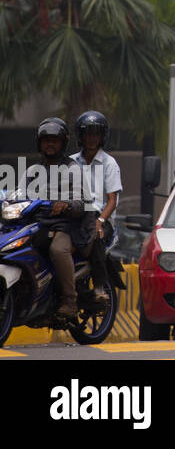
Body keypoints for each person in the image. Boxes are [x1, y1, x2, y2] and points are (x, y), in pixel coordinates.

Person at [24, 118, 93, 320]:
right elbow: (18, 195)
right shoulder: (31, 172)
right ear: (39, 143)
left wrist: (67, 205)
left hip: (70, 226)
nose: (50, 144)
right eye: (46, 140)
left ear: (63, 143)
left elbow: (83, 202)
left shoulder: (72, 169)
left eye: (55, 140)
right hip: (41, 224)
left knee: (58, 250)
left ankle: (69, 300)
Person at [71, 110, 121, 304]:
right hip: (75, 215)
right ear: (81, 136)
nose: (91, 138)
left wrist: (100, 222)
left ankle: (99, 286)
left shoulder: (109, 163)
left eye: (95, 134)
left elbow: (112, 201)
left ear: (102, 137)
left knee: (96, 235)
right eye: (87, 133)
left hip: (101, 217)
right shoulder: (71, 162)